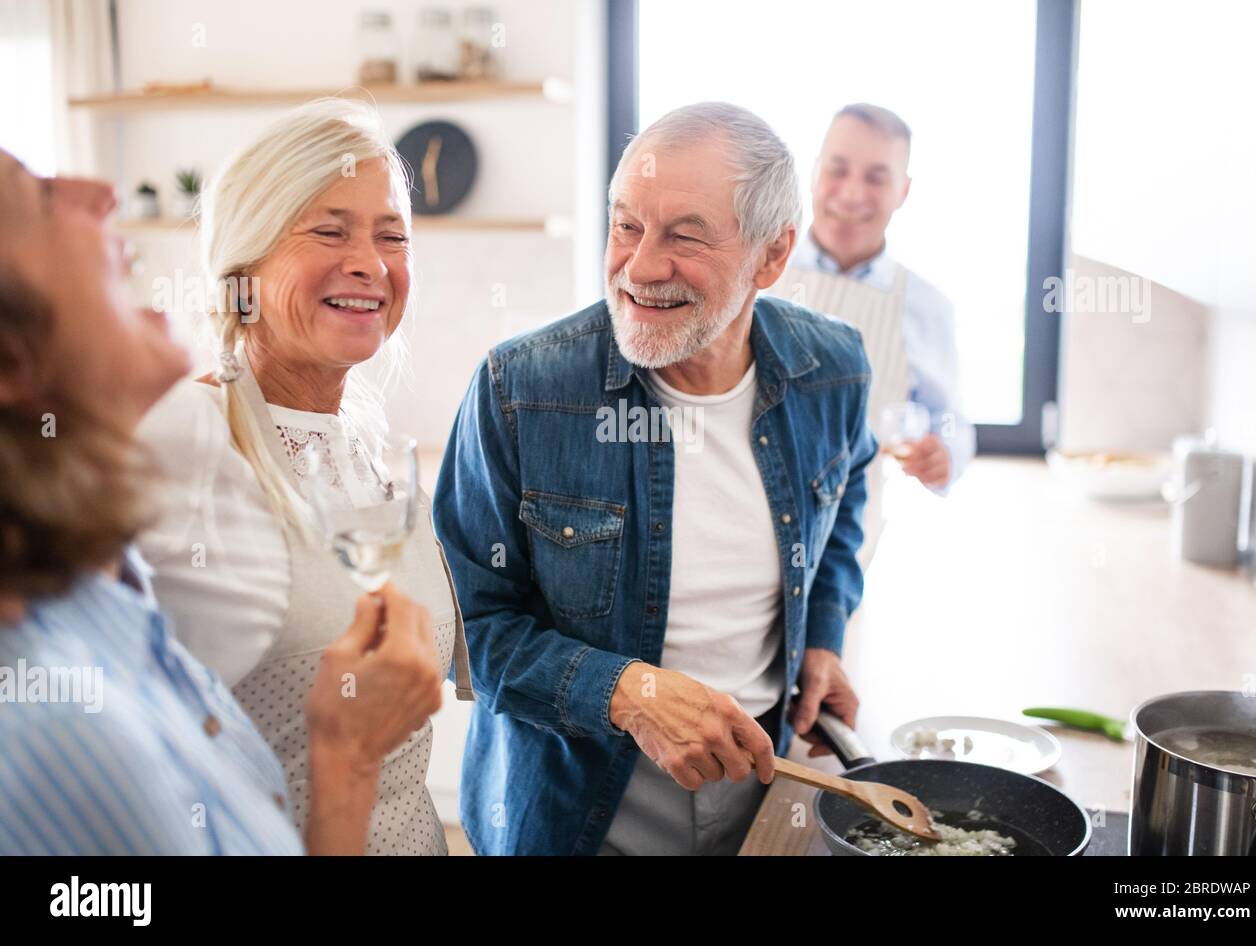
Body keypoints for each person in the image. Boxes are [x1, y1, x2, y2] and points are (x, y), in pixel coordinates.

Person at [435, 102, 876, 855]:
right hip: (576, 808)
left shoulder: (832, 370)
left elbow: (845, 499)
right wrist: (626, 693)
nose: (639, 268)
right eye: (625, 225)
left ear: (772, 258)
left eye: (684, 236)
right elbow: (467, 633)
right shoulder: (521, 388)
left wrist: (824, 635)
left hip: (765, 782)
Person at [0, 147, 445, 855]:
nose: (98, 189)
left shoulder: (103, 603)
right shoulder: (54, 729)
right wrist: (347, 764)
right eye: (329, 231)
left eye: (392, 234)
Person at [134, 98, 474, 856]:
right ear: (244, 260)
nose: (371, 263)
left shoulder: (373, 441)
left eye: (393, 236)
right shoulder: (183, 448)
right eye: (329, 230)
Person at [793, 103, 975, 492]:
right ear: (813, 171)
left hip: (861, 528)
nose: (853, 193)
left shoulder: (926, 305)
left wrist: (945, 453)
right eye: (837, 170)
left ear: (903, 191)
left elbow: (951, 420)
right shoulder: (755, 274)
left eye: (876, 178)